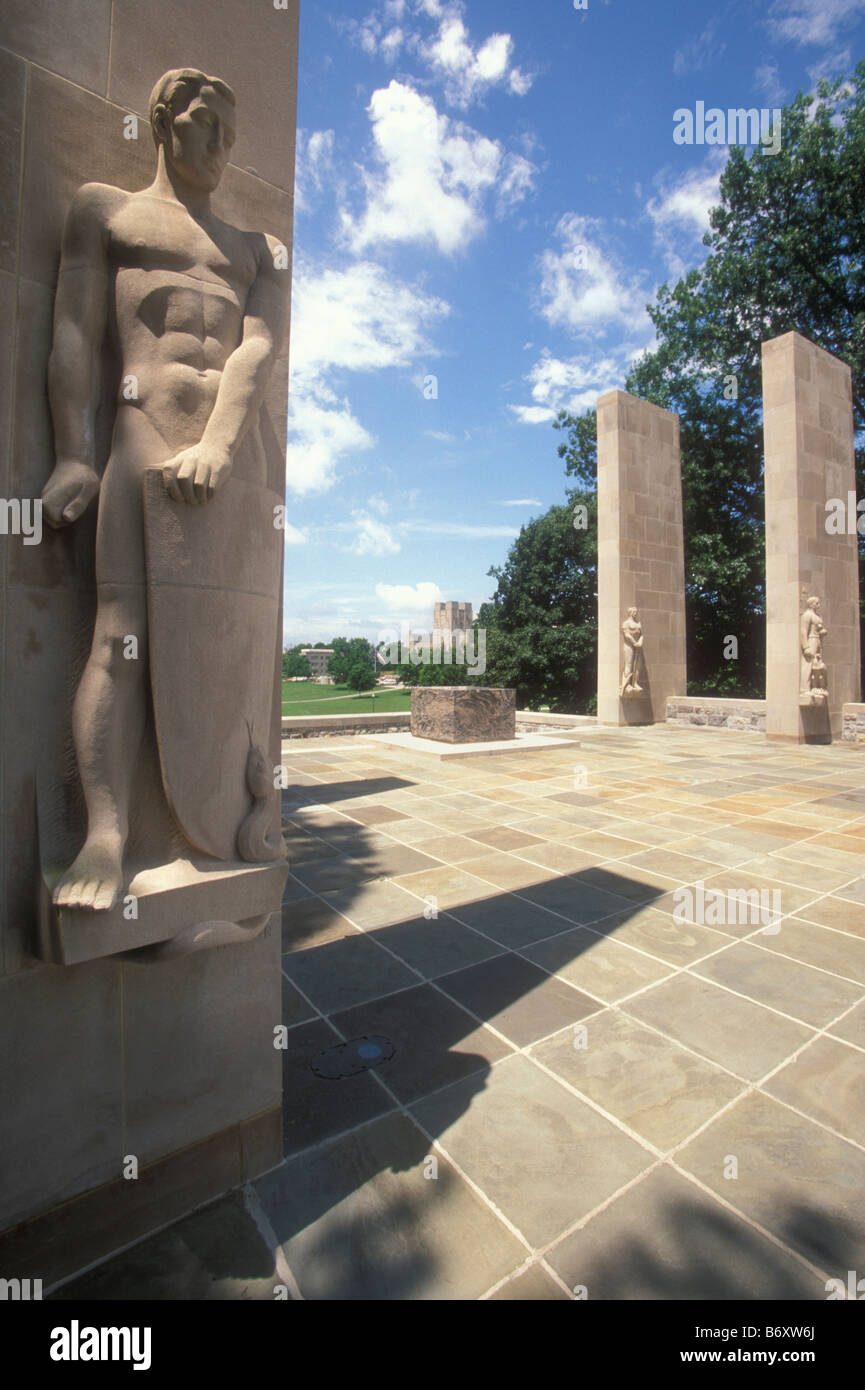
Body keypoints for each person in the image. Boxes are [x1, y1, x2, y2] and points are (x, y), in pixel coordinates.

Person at [41, 69, 287, 911]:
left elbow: (256, 353)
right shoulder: (107, 212)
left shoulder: (256, 252)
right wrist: (73, 456)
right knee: (120, 640)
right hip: (141, 438)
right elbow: (73, 330)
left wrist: (219, 445)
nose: (220, 145)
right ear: (160, 122)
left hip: (230, 471)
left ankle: (215, 828)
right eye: (204, 124)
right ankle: (108, 837)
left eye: (230, 131)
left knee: (224, 649)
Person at [620, 607, 645, 696]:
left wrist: (640, 642)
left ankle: (635, 682)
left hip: (638, 645)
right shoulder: (626, 623)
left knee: (638, 665)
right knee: (629, 664)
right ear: (630, 613)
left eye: (636, 612)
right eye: (634, 612)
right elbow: (627, 635)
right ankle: (627, 685)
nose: (635, 613)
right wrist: (635, 643)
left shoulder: (638, 624)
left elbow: (641, 635)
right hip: (629, 646)